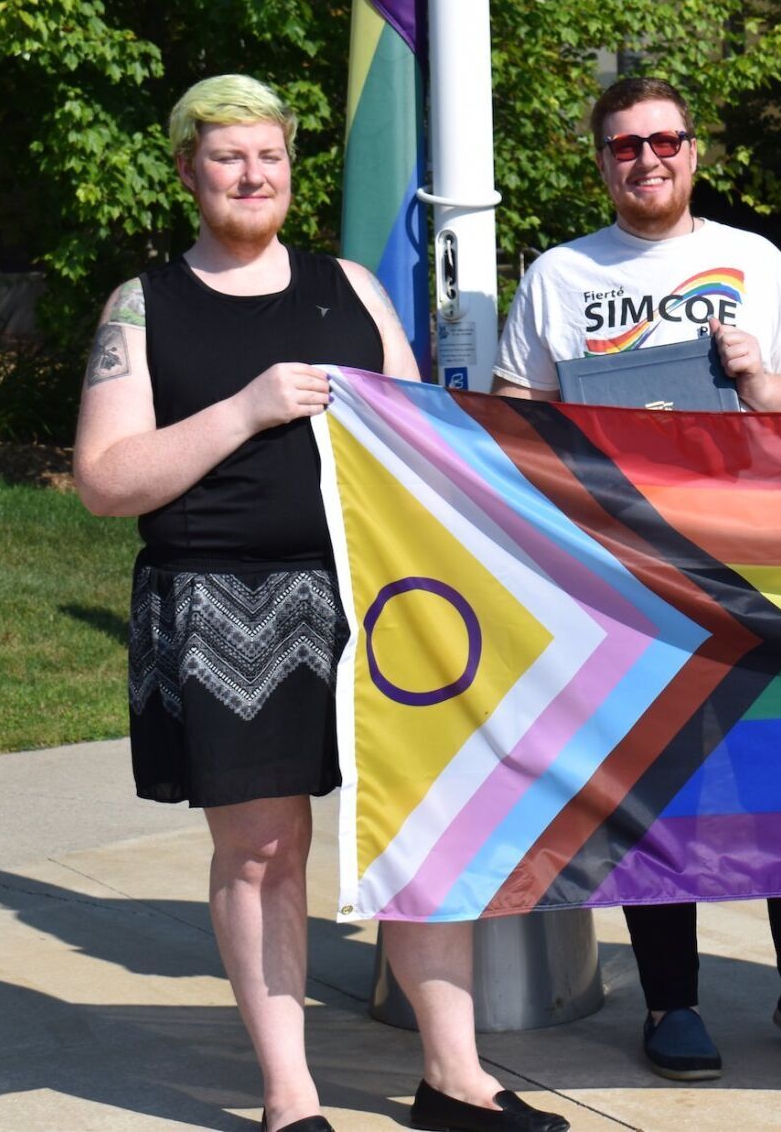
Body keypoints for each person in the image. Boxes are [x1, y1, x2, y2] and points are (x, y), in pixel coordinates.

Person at [72, 75, 567, 1132]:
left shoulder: (349, 287)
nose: (253, 176)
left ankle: (455, 1078)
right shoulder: (143, 306)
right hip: (222, 606)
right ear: (187, 170)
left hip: (382, 595)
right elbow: (105, 480)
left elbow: (426, 440)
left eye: (271, 156)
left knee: (426, 831)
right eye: (228, 157)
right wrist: (246, 409)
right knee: (263, 850)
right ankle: (289, 1095)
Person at [491, 76, 781, 1082]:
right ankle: (671, 1001)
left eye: (665, 141)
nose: (648, 159)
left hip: (759, 559)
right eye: (624, 145)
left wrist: (759, 380)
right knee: (658, 789)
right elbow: (512, 415)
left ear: (694, 150)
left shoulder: (754, 260)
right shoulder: (559, 276)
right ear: (601, 162)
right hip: (630, 574)